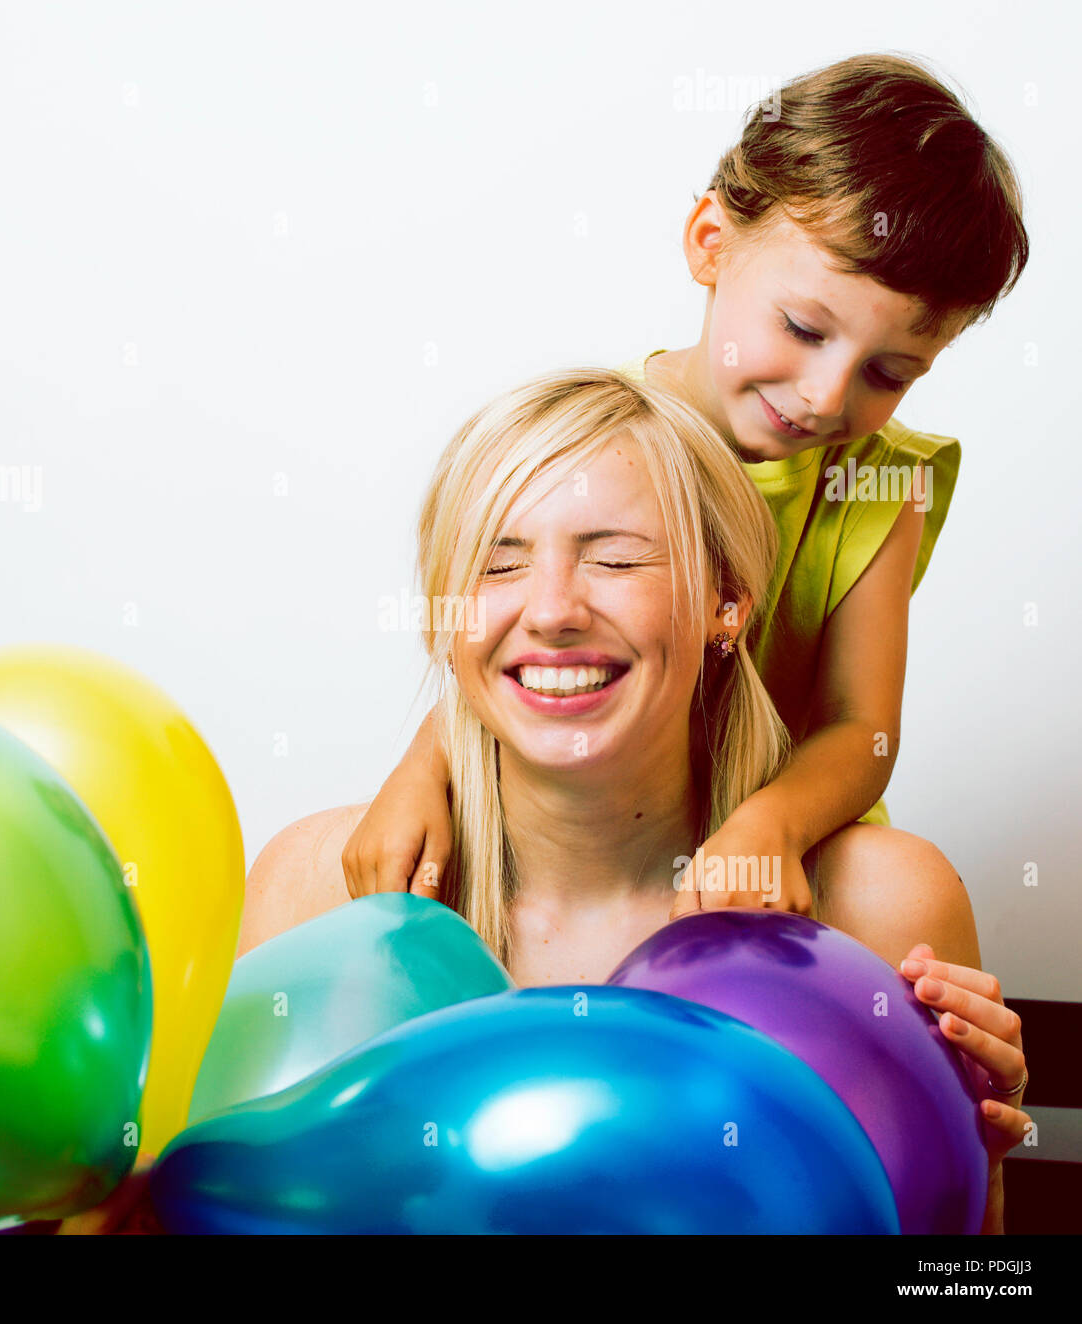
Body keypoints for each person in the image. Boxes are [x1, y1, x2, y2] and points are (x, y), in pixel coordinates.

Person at [241, 368, 1030, 1236]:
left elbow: (973, 1286)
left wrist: (972, 1172)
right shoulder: (312, 889)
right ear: (444, 619)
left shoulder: (882, 908)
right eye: (500, 563)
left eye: (615, 558)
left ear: (726, 605)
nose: (551, 611)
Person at [341, 52, 1028, 924]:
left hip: (771, 855)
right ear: (711, 243)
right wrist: (420, 769)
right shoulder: (607, 436)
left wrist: (770, 825)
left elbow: (863, 726)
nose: (827, 397)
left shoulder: (877, 479)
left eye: (888, 373)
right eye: (803, 327)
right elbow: (525, 636)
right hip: (590, 843)